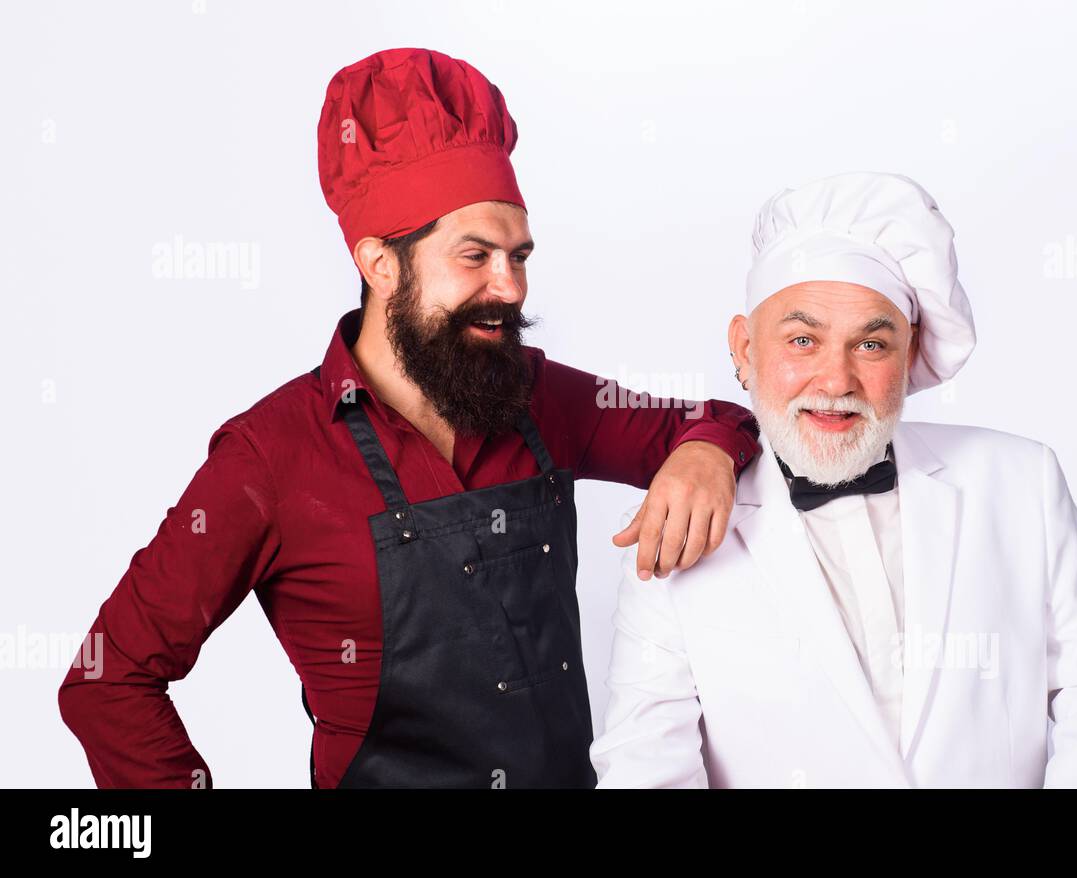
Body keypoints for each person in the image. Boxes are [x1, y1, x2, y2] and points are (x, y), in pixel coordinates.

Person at [58, 47, 760, 789]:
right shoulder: (269, 457)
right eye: (476, 256)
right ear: (379, 264)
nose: (510, 287)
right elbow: (108, 681)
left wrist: (704, 451)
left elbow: (715, 419)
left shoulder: (536, 397)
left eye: (519, 256)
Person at [589, 171, 1077, 788]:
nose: (836, 380)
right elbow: (644, 767)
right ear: (743, 348)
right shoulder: (676, 531)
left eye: (870, 345)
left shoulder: (1021, 483)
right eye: (801, 340)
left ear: (909, 350)